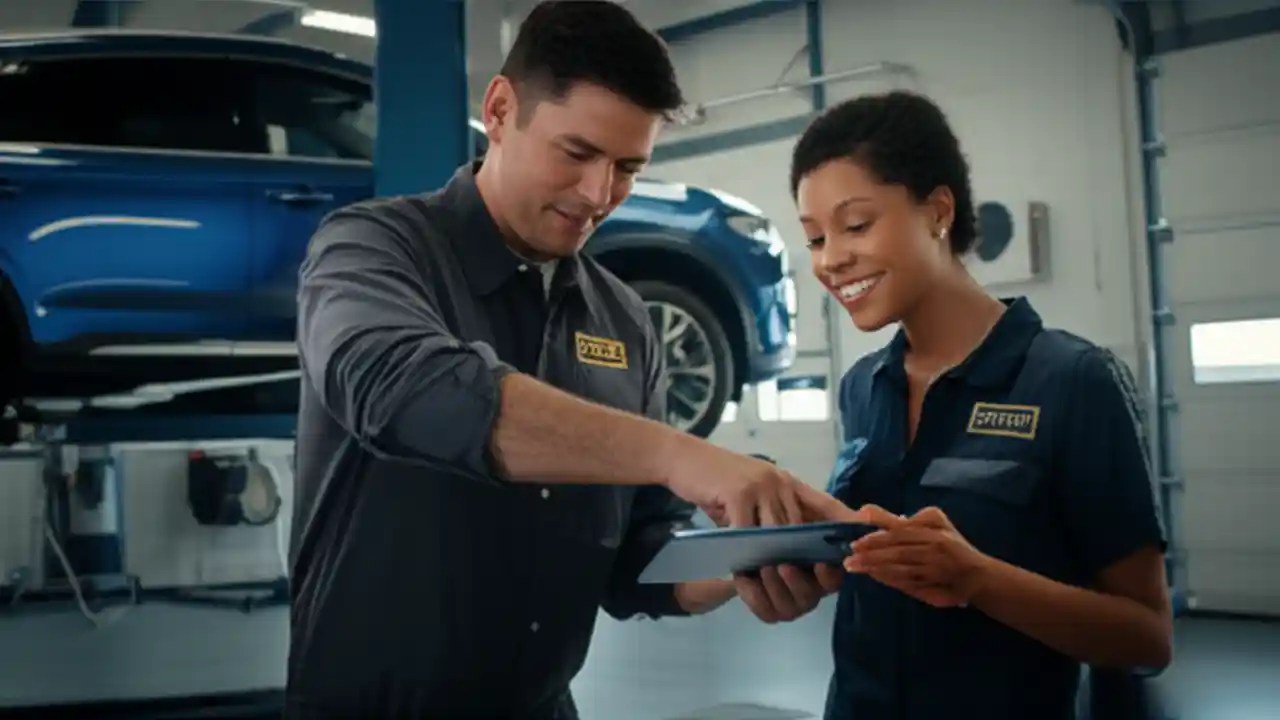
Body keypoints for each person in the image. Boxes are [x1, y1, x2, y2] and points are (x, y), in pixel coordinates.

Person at [285, 3, 839, 718]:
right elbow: (401, 389)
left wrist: (738, 560)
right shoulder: (371, 249)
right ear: (500, 110)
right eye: (576, 153)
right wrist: (680, 454)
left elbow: (636, 555)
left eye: (628, 168)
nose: (598, 195)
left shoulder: (625, 320)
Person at [791, 91, 1174, 719]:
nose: (830, 259)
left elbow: (1147, 638)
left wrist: (979, 579)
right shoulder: (862, 386)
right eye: (813, 238)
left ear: (938, 212)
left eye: (856, 225)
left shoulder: (1073, 381)